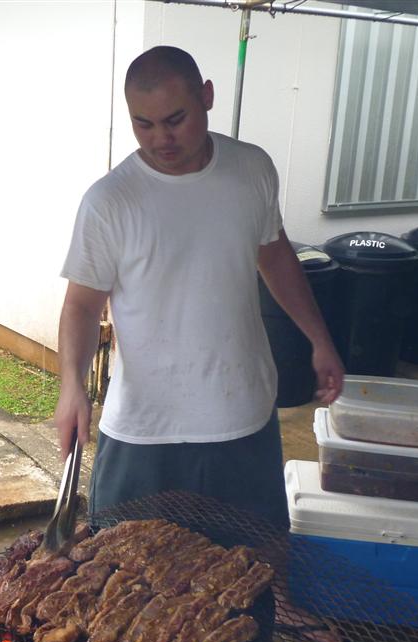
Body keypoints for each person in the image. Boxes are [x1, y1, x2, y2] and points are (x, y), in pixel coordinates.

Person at [55, 45, 345, 529]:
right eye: (142, 124)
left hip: (242, 416)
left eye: (175, 119)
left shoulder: (251, 169)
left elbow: (273, 254)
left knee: (242, 578)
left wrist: (320, 340)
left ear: (207, 97)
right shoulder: (109, 201)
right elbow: (82, 306)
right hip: (144, 429)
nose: (160, 139)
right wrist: (71, 385)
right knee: (126, 584)